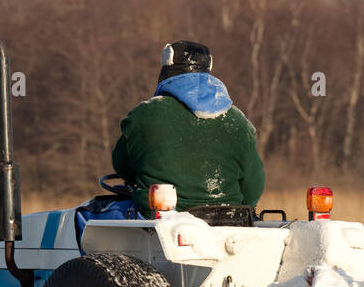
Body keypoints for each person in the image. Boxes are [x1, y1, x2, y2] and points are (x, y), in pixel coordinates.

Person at [110, 41, 266, 219]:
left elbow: (122, 165)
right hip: (229, 223)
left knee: (88, 216)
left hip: (159, 223)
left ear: (166, 72)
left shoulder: (144, 114)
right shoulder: (238, 121)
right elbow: (254, 186)